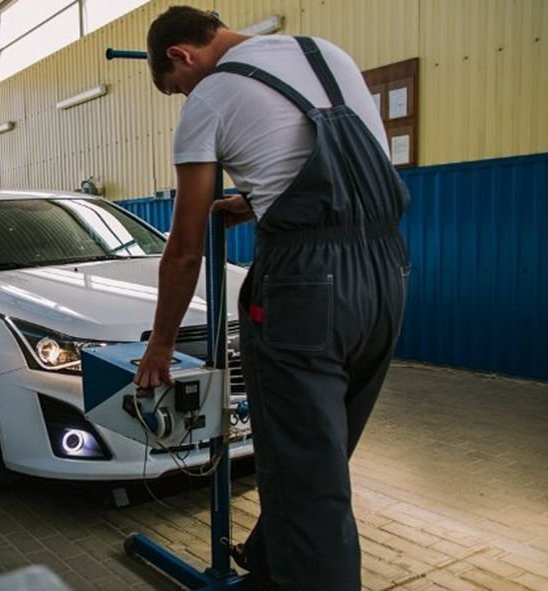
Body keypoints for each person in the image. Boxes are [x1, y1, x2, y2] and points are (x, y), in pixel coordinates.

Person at [134, 6, 410, 590]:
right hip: (387, 271)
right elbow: (343, 177)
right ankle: (268, 565)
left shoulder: (210, 100)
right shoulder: (325, 53)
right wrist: (253, 202)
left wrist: (159, 347)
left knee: (309, 483)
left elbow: (185, 251)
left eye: (176, 86)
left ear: (181, 55)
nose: (184, 96)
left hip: (306, 288)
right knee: (321, 456)